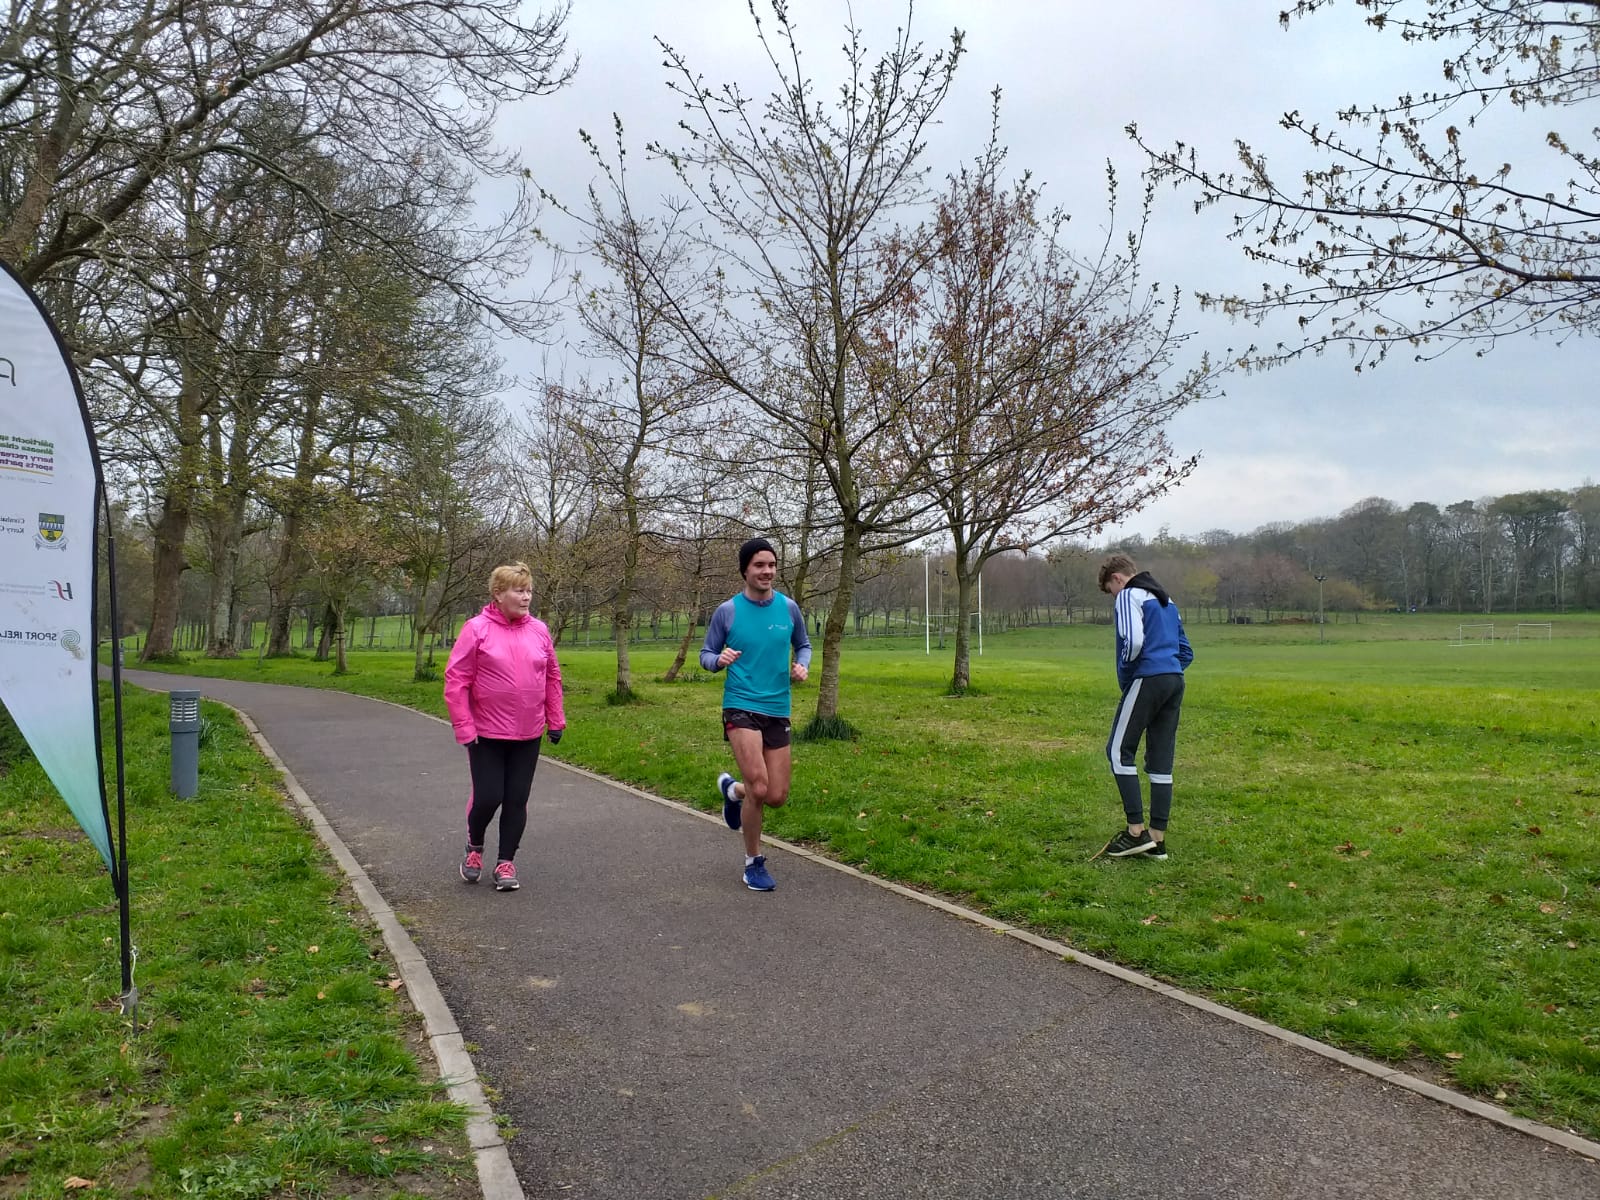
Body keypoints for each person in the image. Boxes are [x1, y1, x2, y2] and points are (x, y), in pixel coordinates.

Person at [444, 562, 566, 891]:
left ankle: (505, 862)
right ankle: (474, 846)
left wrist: (556, 719)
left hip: (528, 733)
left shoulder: (539, 630)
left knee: (516, 798)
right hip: (486, 733)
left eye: (529, 591)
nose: (526, 597)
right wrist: (464, 728)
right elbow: (457, 681)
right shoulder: (476, 628)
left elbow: (552, 676)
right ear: (498, 594)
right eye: (518, 590)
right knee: (488, 797)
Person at [699, 537, 811, 891]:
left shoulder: (789, 608)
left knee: (776, 796)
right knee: (759, 786)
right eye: (760, 565)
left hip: (778, 707)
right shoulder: (727, 611)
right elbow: (705, 654)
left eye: (772, 565)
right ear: (745, 570)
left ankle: (733, 792)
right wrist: (718, 661)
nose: (767, 571)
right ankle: (753, 863)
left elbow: (804, 644)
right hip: (741, 704)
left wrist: (802, 665)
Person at [1097, 553, 1193, 860]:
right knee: (1161, 759)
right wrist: (1168, 669)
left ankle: (1135, 832)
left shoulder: (1128, 595)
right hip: (1174, 680)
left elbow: (1133, 641)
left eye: (1110, 590)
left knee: (1118, 751)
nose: (1113, 597)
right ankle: (1157, 840)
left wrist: (1130, 673)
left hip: (1147, 677)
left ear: (1117, 579)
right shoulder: (1168, 600)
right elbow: (1186, 651)